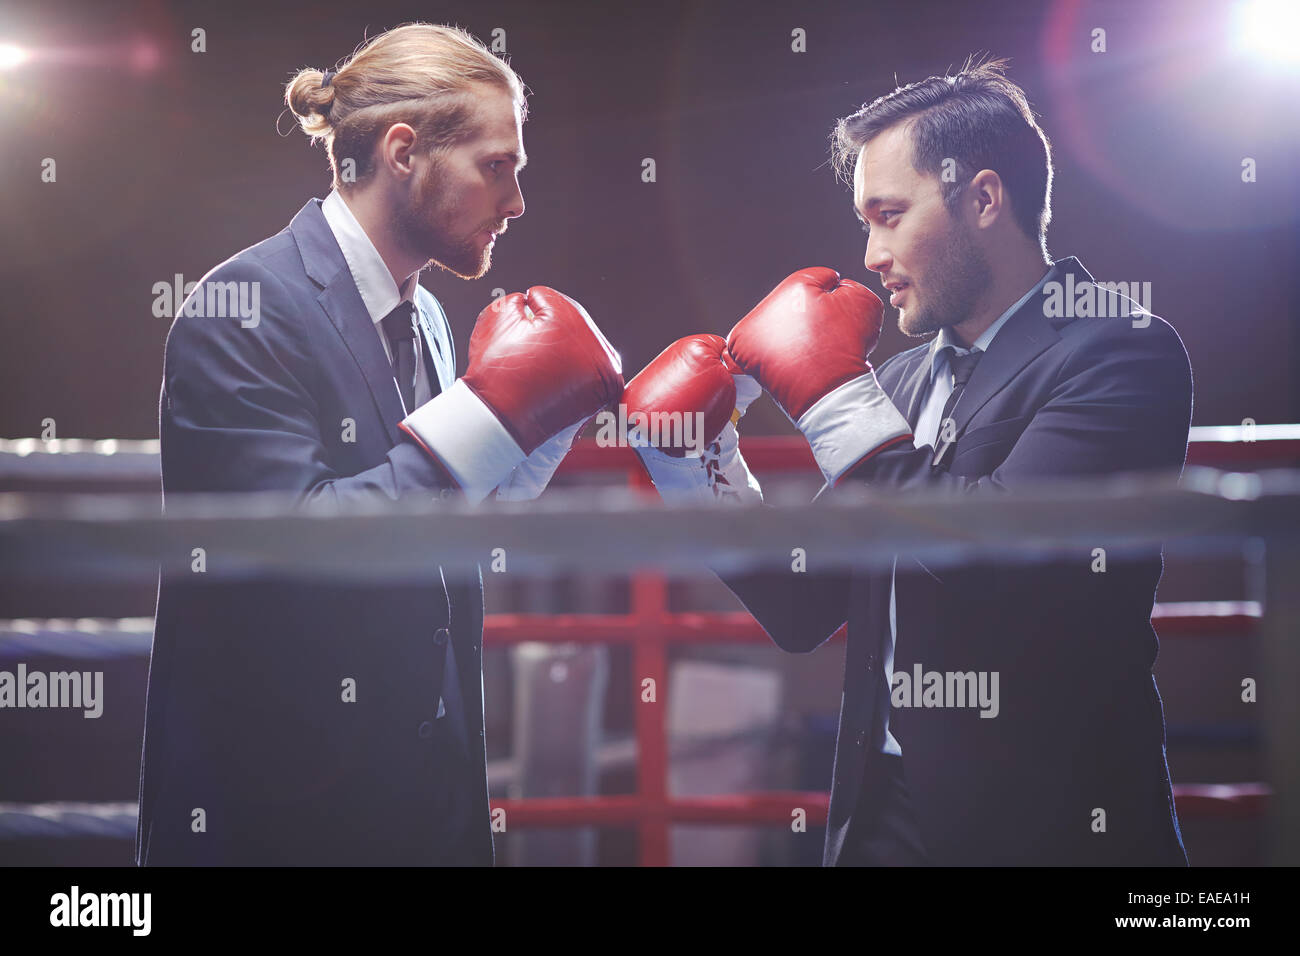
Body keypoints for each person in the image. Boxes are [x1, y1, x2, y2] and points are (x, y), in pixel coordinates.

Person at [625, 56, 1191, 866]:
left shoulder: (1117, 352)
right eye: (865, 221)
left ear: (984, 199)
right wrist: (699, 467)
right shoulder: (899, 379)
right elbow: (805, 606)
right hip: (881, 815)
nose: (870, 252)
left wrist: (831, 398)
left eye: (889, 215)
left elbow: (999, 559)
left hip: (1052, 825)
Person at [136, 22, 622, 866]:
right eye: (496, 167)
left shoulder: (427, 315)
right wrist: (493, 413)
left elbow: (433, 524)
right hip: (280, 817)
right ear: (404, 152)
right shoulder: (241, 308)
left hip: (426, 802)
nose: (515, 203)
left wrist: (533, 439)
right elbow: (294, 551)